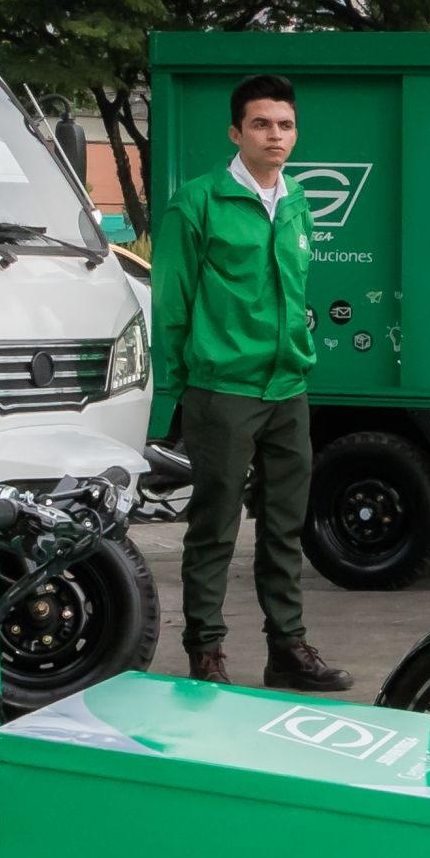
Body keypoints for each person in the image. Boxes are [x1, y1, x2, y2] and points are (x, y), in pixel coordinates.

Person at [149, 73, 352, 692]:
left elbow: (295, 295)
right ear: (236, 132)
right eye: (262, 124)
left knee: (285, 525)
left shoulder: (296, 204)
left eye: (285, 125)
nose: (275, 135)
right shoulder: (199, 201)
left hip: (287, 388)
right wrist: (182, 391)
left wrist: (299, 358)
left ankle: (287, 650)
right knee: (214, 526)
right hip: (222, 389)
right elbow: (172, 303)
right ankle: (205, 652)